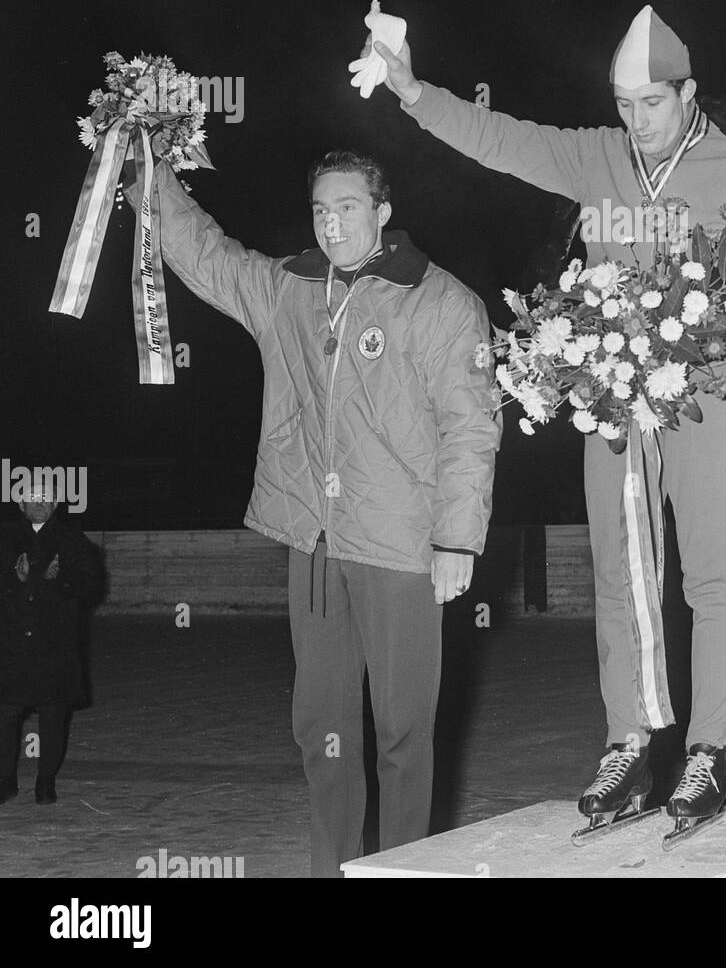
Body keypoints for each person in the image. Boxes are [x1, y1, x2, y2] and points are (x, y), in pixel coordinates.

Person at [364, 3, 726, 837]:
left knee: (714, 575)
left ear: (688, 93)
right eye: (623, 103)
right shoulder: (596, 156)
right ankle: (628, 742)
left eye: (651, 102)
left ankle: (709, 755)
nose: (637, 121)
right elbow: (499, 138)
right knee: (618, 575)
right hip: (613, 402)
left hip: (709, 391)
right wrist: (411, 90)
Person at [124, 150, 501, 876]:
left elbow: (472, 428)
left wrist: (457, 538)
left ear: (383, 210)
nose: (332, 224)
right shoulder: (290, 289)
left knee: (401, 732)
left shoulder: (440, 301)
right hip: (318, 544)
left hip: (401, 549)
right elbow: (207, 255)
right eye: (321, 211)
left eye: (349, 208)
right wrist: (147, 174)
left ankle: (403, 868)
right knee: (321, 727)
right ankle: (331, 867)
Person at [0, 491, 104, 807]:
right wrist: (12, 578)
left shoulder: (73, 541)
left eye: (45, 500)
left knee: (53, 718)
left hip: (55, 645)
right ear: (20, 505)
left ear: (56, 505)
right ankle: (5, 780)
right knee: (5, 715)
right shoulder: (4, 537)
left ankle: (46, 781)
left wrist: (58, 580)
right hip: (11, 645)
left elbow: (92, 586)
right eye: (31, 500)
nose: (39, 505)